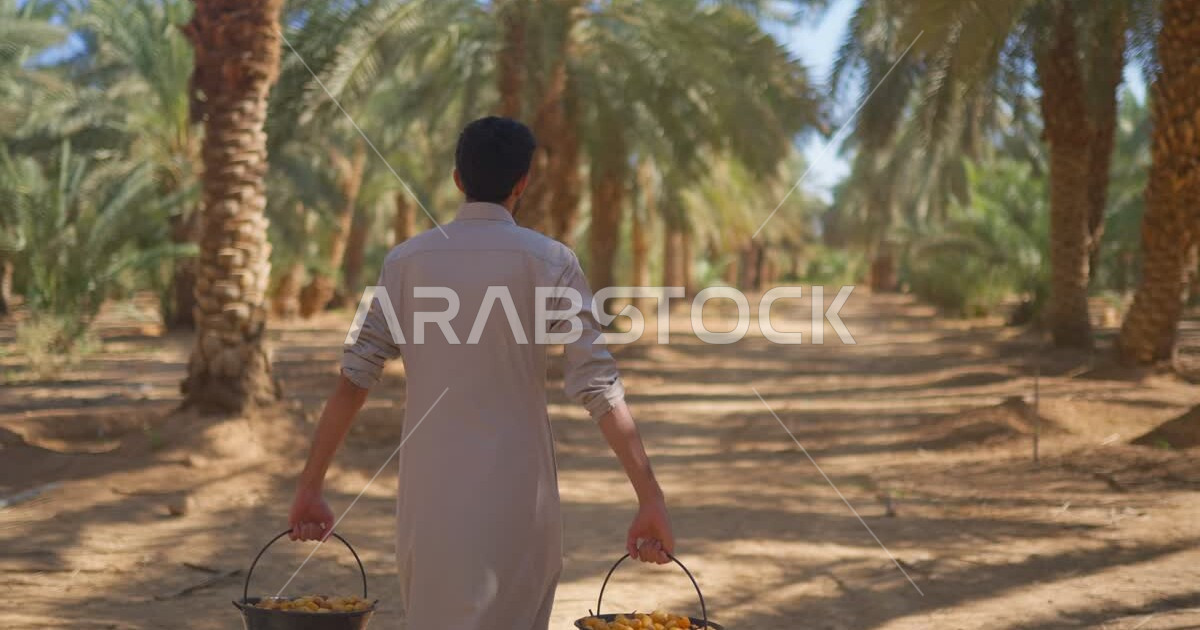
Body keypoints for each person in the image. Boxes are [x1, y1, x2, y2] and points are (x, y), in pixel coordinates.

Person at [288, 116, 674, 629]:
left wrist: (311, 486)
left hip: (429, 501)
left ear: (456, 178)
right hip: (522, 496)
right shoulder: (552, 261)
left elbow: (354, 378)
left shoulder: (404, 263)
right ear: (523, 182)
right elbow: (597, 385)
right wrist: (649, 496)